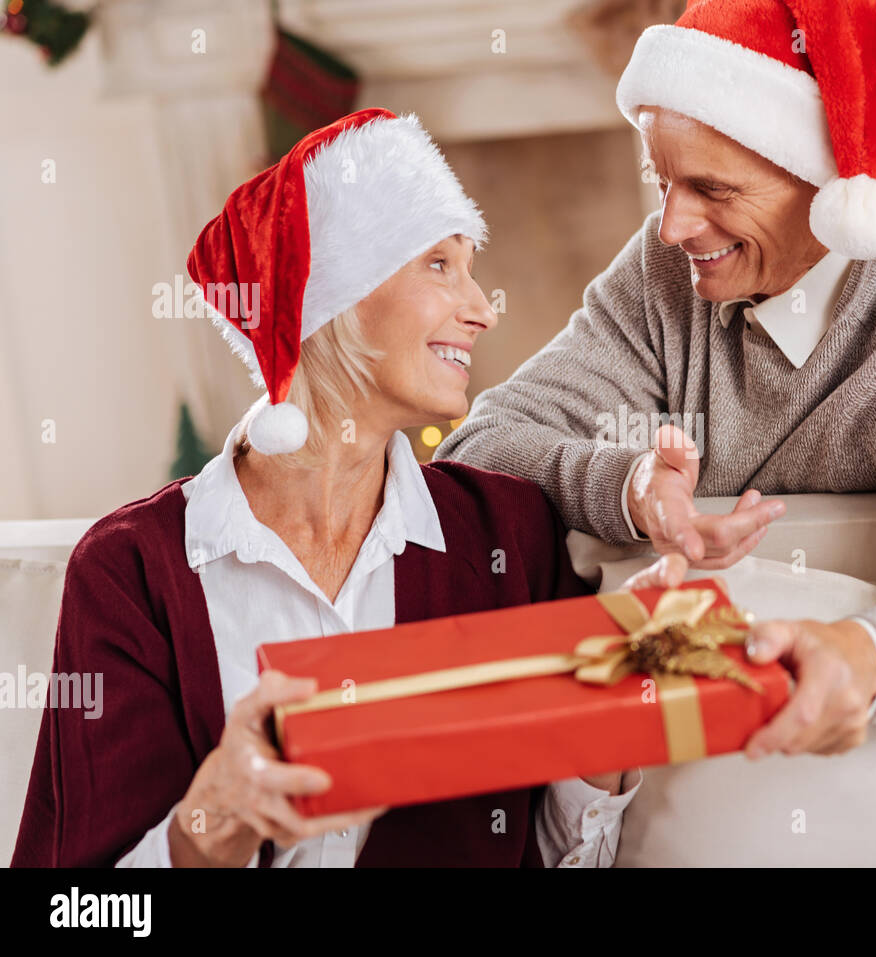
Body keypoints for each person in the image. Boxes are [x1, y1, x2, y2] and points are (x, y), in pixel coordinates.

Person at [11, 108, 638, 868]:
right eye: (440, 265)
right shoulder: (131, 573)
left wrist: (605, 733)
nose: (480, 309)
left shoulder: (508, 532)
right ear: (335, 297)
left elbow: (551, 855)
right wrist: (212, 823)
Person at [437, 0, 876, 748]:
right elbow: (476, 449)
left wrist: (863, 653)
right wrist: (631, 489)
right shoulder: (663, 272)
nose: (671, 226)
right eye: (662, 181)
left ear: (824, 185)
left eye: (714, 190)